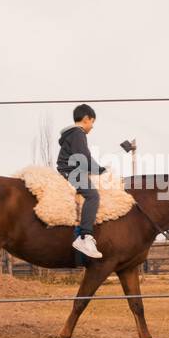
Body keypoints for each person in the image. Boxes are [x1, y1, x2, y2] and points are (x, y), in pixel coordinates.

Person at [57, 103, 105, 258]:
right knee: (93, 196)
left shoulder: (72, 134)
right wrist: (100, 170)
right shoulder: (78, 133)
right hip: (70, 172)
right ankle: (84, 237)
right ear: (86, 119)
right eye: (92, 122)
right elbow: (83, 157)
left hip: (70, 169)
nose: (92, 126)